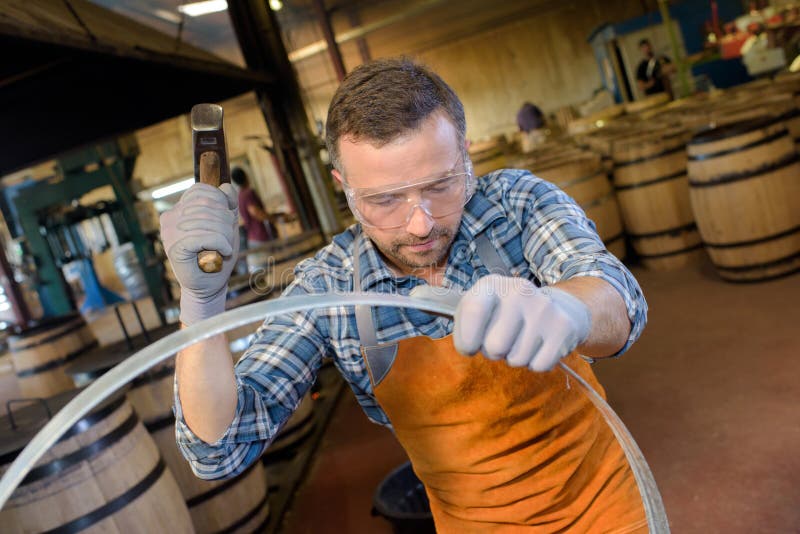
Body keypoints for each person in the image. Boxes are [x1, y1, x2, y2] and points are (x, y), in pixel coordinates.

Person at [160, 58, 649, 532]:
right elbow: (218, 451)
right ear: (345, 189)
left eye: (440, 185)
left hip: (608, 505)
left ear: (466, 154)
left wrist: (568, 307)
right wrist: (201, 306)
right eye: (384, 200)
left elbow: (616, 298)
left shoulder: (516, 204)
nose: (421, 225)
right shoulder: (330, 288)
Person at [231, 167, 275, 272]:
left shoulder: (240, 195)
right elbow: (254, 212)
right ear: (246, 176)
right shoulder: (248, 193)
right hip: (260, 236)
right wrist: (273, 219)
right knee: (267, 270)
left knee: (263, 270)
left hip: (252, 237)